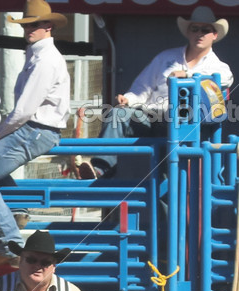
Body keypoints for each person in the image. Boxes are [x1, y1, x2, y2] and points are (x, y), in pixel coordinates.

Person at [76, 5, 232, 181]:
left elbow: (224, 80)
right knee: (118, 113)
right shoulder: (165, 57)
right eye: (195, 29)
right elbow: (142, 88)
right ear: (188, 32)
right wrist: (128, 99)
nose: (200, 33)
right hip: (152, 119)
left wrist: (188, 76)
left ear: (215, 35)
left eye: (206, 29)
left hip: (186, 129)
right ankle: (100, 168)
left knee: (169, 183)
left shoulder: (219, 67)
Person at [0, 0, 69, 267]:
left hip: (35, 129)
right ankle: (18, 211)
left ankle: (10, 245)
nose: (29, 29)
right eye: (27, 25)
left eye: (34, 24)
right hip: (37, 129)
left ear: (48, 26)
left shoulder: (44, 59)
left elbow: (24, 110)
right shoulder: (40, 55)